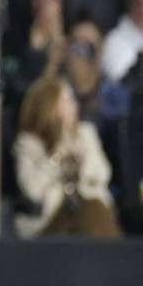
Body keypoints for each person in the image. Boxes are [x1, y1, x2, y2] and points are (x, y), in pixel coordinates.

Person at [13, 78, 122, 239]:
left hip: (88, 207)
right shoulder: (28, 143)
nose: (74, 105)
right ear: (49, 106)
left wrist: (83, 155)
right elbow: (33, 190)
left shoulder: (85, 133)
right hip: (50, 216)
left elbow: (102, 174)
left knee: (94, 208)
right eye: (66, 100)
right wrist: (56, 156)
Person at [18, 0, 67, 87]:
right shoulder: (20, 39)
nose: (42, 3)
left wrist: (58, 45)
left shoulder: (73, 38)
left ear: (61, 2)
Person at [102, 0, 143, 83]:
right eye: (137, 2)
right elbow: (122, 85)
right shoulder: (114, 41)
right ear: (129, 3)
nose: (141, 8)